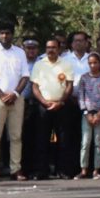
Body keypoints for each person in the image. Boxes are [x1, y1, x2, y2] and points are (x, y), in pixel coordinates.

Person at [0, 25, 30, 181]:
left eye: (7, 33)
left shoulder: (20, 52)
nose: (4, 36)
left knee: (16, 136)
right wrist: (2, 95)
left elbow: (25, 76)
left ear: (12, 35)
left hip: (16, 98)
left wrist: (14, 93)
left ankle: (16, 169)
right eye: (1, 33)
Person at [32, 35, 80, 178]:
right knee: (42, 139)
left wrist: (60, 102)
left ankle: (63, 171)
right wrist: (43, 101)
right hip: (44, 105)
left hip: (62, 106)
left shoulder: (66, 64)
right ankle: (42, 171)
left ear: (59, 49)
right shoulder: (39, 64)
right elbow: (34, 86)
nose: (50, 50)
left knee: (64, 139)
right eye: (48, 47)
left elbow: (69, 85)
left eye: (53, 47)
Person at [77, 51, 100, 177]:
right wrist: (86, 113)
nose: (93, 65)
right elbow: (81, 96)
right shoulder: (84, 78)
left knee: (98, 141)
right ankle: (83, 168)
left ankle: (97, 169)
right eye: (90, 63)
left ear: (99, 63)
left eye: (95, 63)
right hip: (87, 113)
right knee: (85, 141)